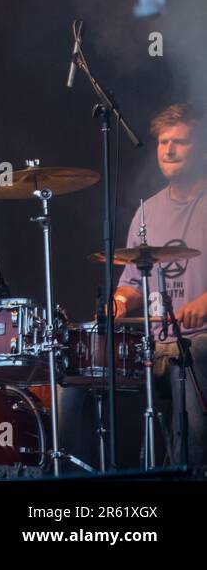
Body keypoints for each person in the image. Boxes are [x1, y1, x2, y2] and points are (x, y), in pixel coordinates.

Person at [112, 102, 207, 464]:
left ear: (200, 148)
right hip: (153, 347)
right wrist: (119, 301)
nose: (168, 150)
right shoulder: (146, 212)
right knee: (85, 374)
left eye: (179, 142)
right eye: (162, 142)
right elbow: (133, 281)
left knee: (192, 356)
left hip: (200, 342)